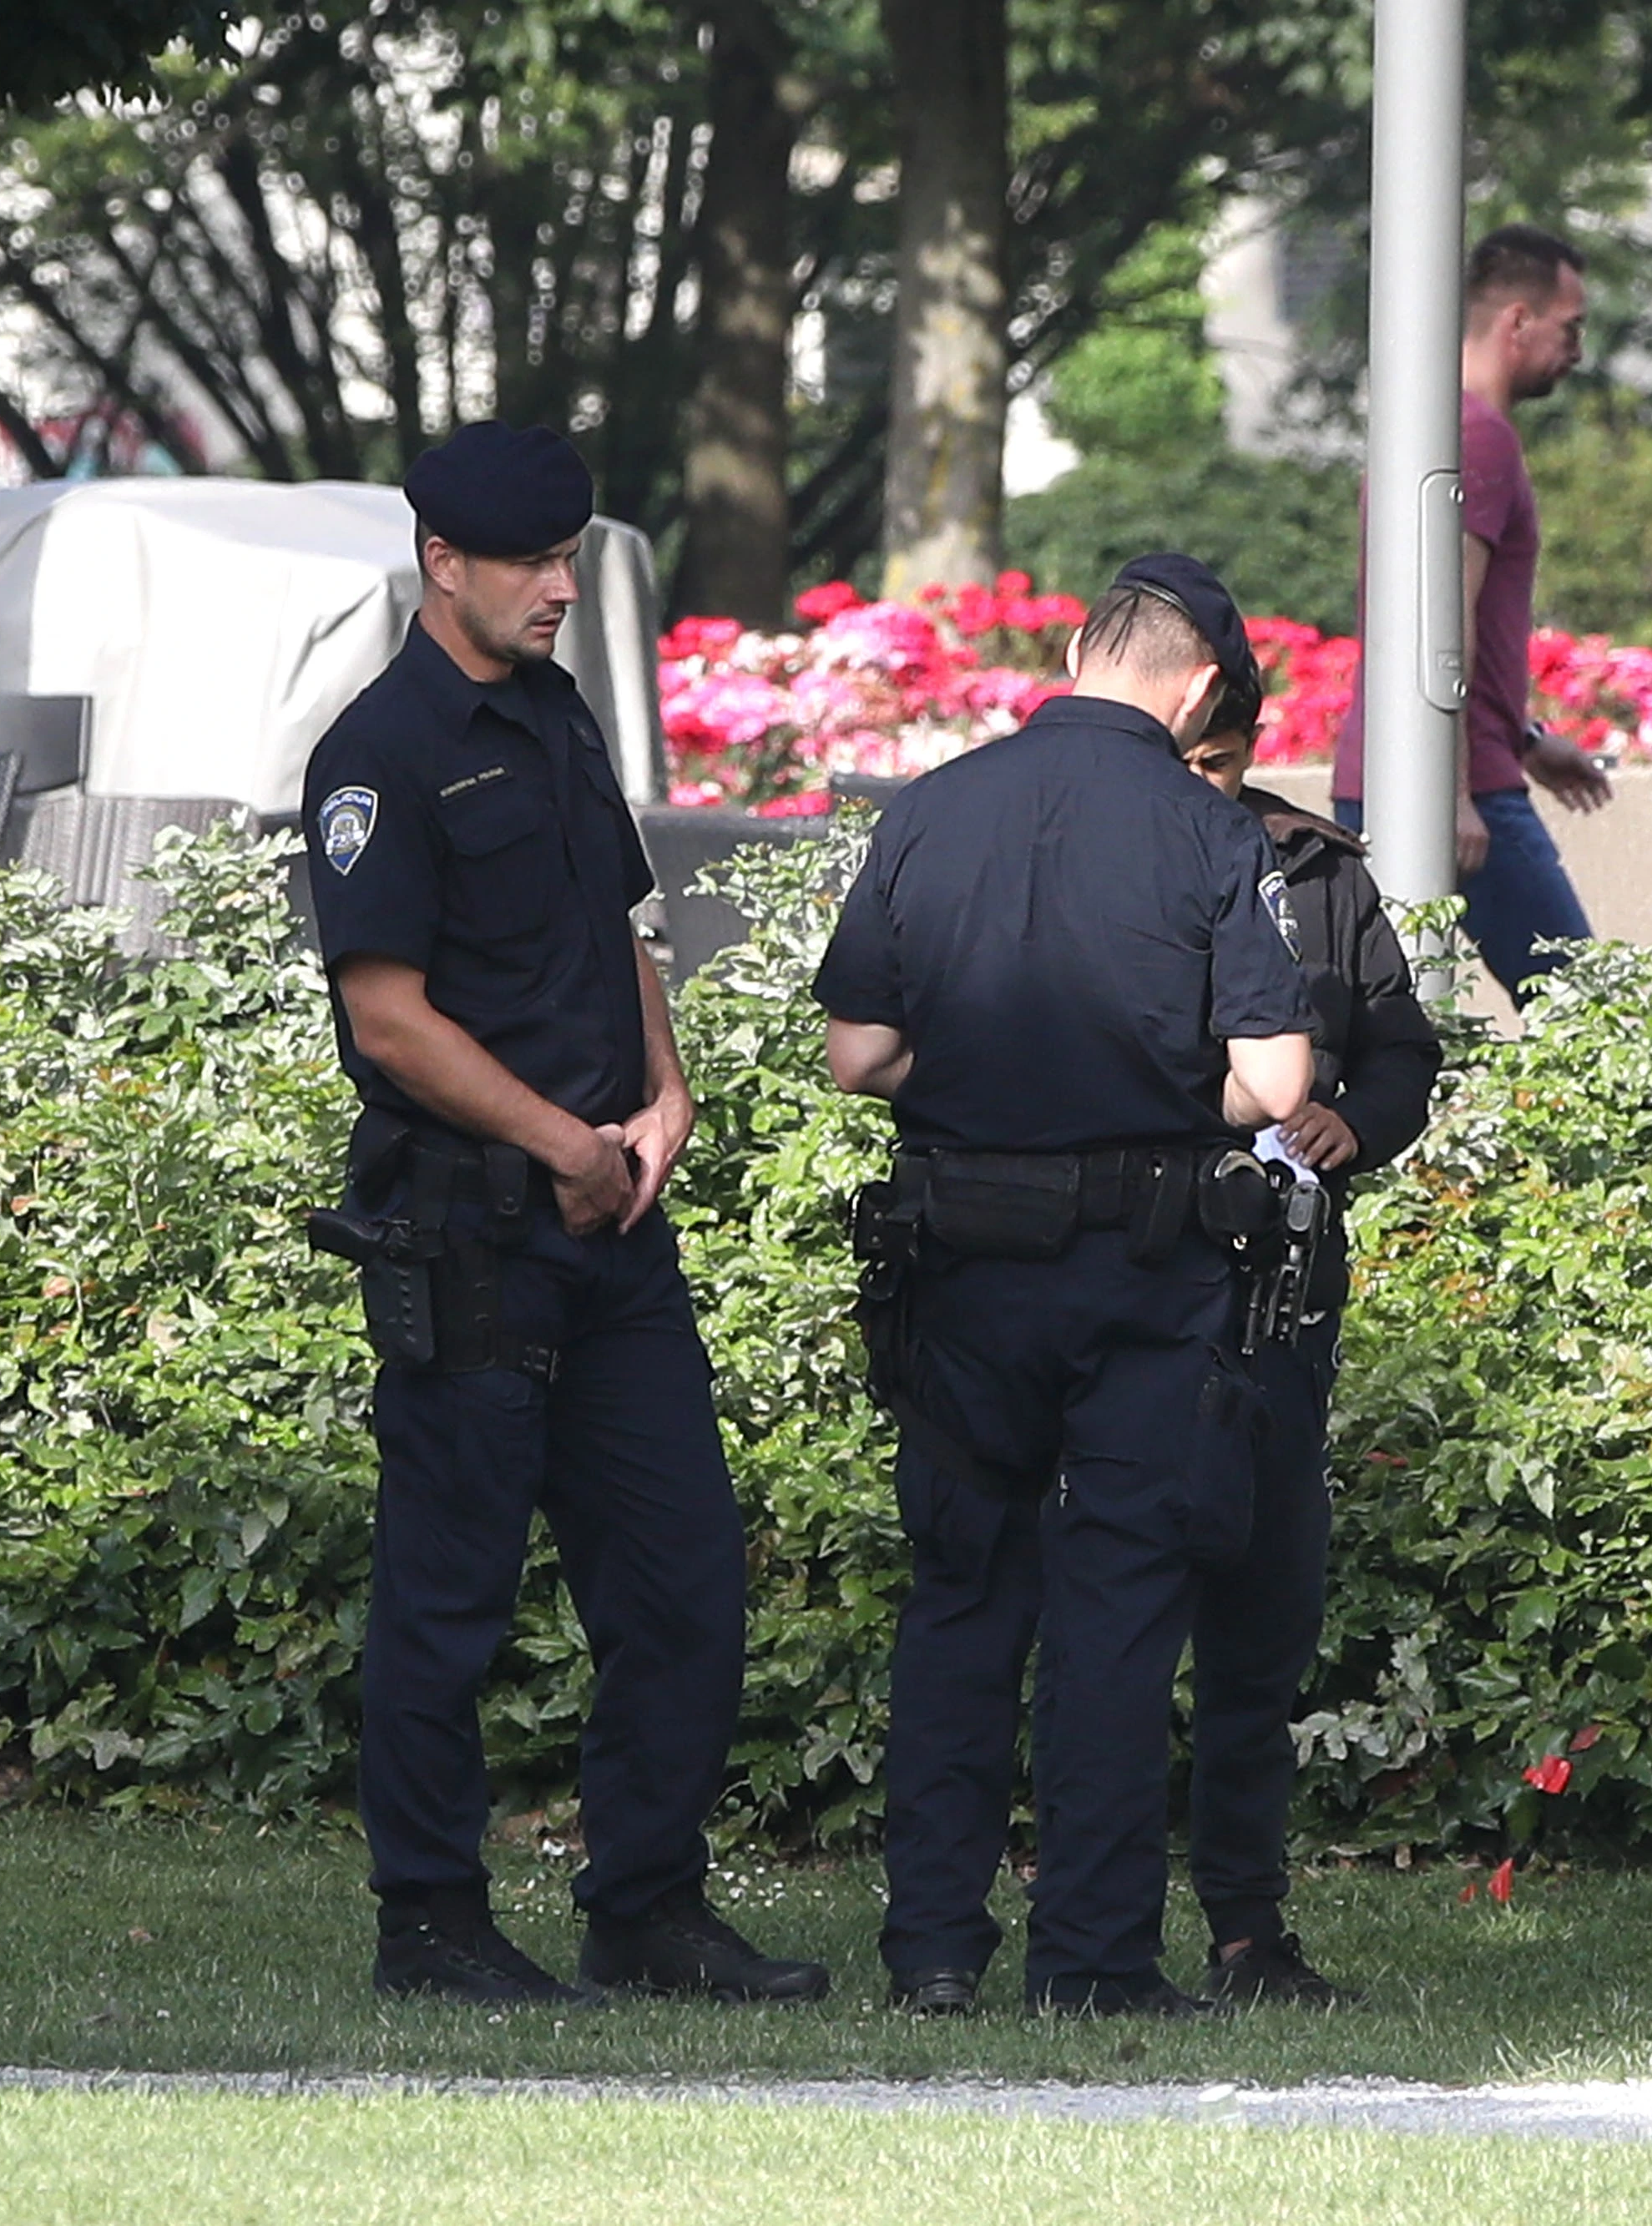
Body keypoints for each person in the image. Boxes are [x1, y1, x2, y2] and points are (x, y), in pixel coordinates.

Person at [301, 421, 825, 2006]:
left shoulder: (559, 713)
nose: (560, 584)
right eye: (532, 560)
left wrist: (664, 1098)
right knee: (448, 1596)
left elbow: (621, 919)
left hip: (610, 1224)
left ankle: (646, 1907)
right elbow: (386, 1016)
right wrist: (560, 1143)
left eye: (571, 554)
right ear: (440, 560)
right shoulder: (379, 751)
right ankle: (432, 1923)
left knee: (682, 1573)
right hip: (473, 1233)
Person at [815, 553, 1316, 2019]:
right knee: (1115, 1612)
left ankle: (932, 1951)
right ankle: (1093, 1961)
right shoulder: (1204, 826)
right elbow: (1278, 1076)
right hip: (1145, 1272)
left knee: (962, 1596)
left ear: (1082, 653)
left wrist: (984, 1093)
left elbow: (860, 1052)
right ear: (1203, 687)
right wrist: (1156, 1093)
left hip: (961, 1263)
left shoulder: (935, 804)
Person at [1172, 719, 1442, 2006]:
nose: (1207, 787)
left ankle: (1245, 1931)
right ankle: (1087, 1923)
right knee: (1108, 1621)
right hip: (1142, 1278)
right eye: (1192, 760)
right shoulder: (1121, 851)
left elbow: (1402, 1048)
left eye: (1225, 762)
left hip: (1282, 1299)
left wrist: (1357, 1120)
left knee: (1262, 1623)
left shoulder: (1320, 871)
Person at [1331, 221, 1613, 1002]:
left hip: (1393, 769)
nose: (1579, 349)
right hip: (1454, 783)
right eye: (1571, 325)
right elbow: (1436, 612)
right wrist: (1452, 792)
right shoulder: (1475, 436)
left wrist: (1525, 740)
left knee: (1384, 1029)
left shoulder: (1425, 427)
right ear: (1517, 320)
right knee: (1588, 1019)